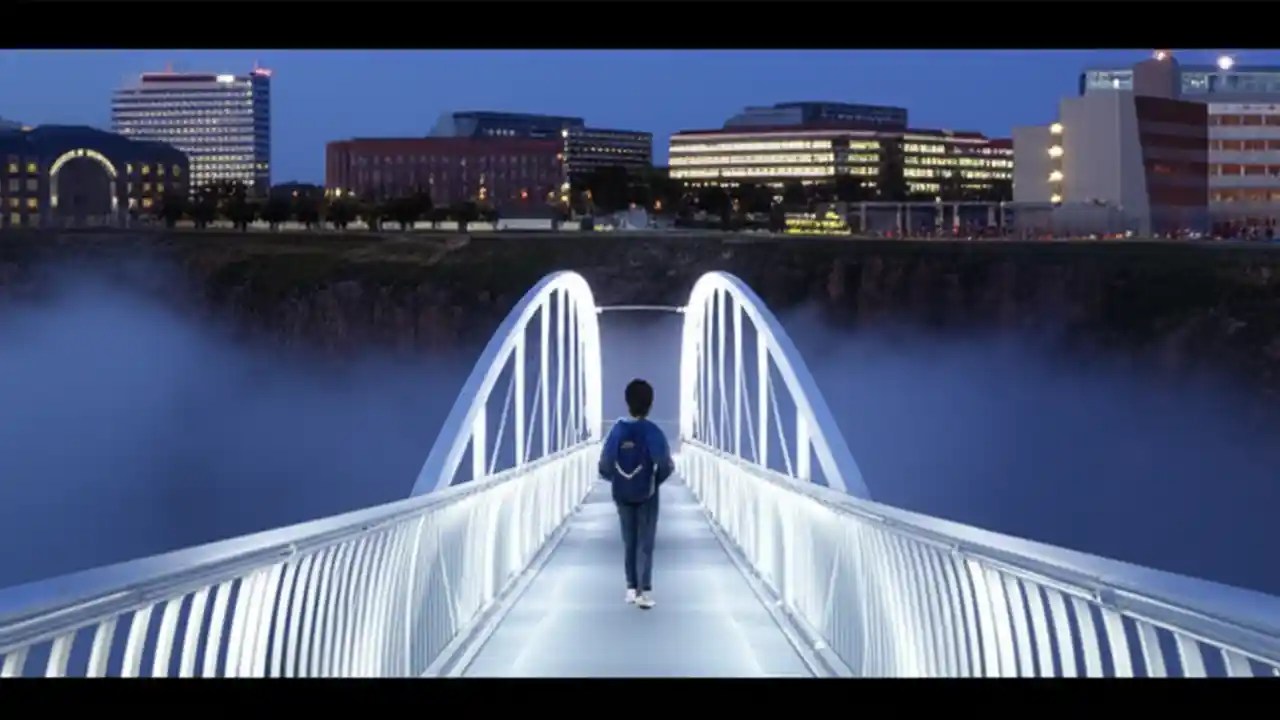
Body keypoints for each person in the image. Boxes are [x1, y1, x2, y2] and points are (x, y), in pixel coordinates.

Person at [598, 378, 674, 610]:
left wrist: (618, 480)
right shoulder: (653, 432)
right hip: (647, 494)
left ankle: (631, 587)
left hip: (622, 493)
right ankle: (644, 589)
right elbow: (666, 465)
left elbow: (604, 465)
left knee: (628, 539)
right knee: (645, 541)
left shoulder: (617, 430)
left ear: (627, 402)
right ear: (650, 404)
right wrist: (654, 481)